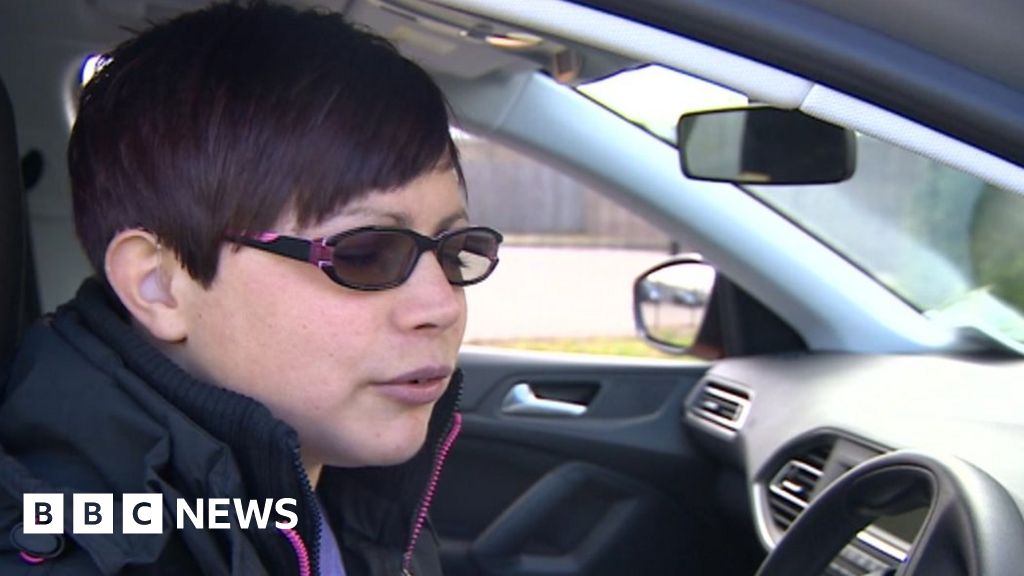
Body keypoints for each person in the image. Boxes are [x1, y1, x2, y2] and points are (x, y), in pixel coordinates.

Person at [0, 1, 502, 574]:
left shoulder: (325, 479)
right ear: (159, 285)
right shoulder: (64, 549)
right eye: (364, 255)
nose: (442, 306)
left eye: (454, 251)